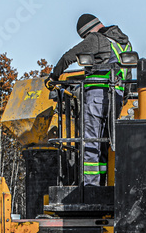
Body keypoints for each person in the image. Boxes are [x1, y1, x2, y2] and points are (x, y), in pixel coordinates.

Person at [47, 14, 133, 186]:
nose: (85, 40)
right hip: (116, 99)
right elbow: (128, 76)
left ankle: (91, 187)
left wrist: (53, 76)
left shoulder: (96, 39)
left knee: (90, 143)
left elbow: (68, 57)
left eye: (84, 36)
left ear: (88, 31)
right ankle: (104, 184)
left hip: (97, 97)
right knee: (104, 143)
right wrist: (122, 99)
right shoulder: (124, 42)